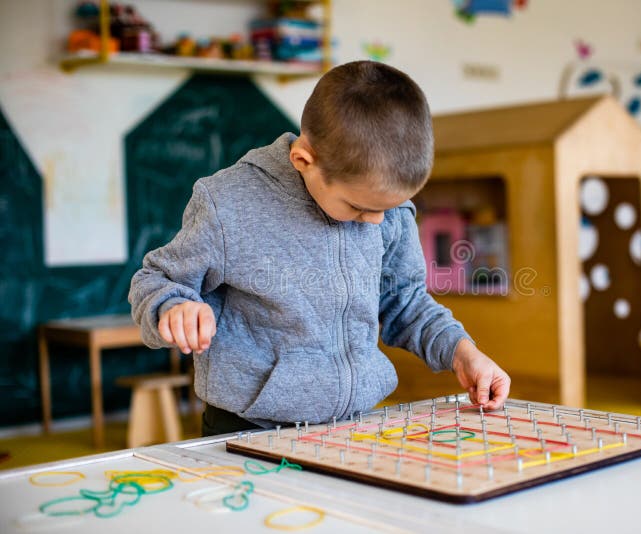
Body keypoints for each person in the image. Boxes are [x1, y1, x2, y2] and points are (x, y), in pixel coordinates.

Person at [129, 60, 511, 436]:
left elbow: (405, 302)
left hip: (355, 424)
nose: (377, 222)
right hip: (248, 427)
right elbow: (155, 280)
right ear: (303, 160)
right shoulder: (227, 202)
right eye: (359, 208)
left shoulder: (386, 211)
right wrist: (173, 307)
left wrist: (463, 353)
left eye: (388, 209)